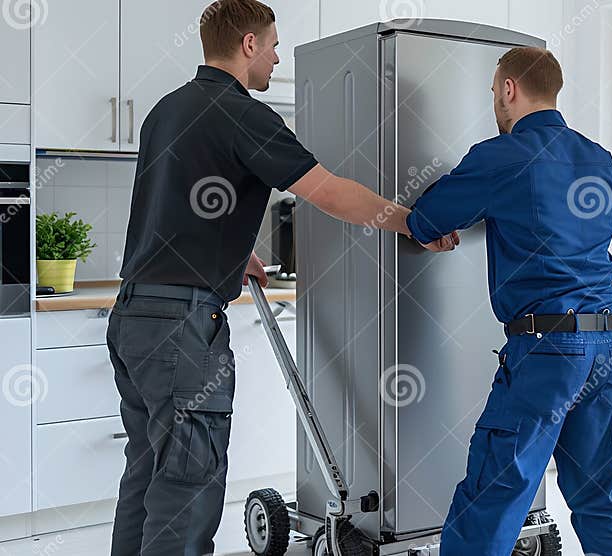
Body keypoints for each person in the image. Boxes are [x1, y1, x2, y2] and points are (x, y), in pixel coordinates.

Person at [106, 1, 455, 555]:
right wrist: (413, 222)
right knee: (188, 485)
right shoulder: (242, 113)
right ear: (247, 44)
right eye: (271, 46)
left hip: (134, 318)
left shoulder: (166, 111)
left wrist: (227, 256)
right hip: (182, 328)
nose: (274, 57)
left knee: (149, 474)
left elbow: (169, 212)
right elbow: (331, 193)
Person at [406, 47, 612, 556]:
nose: (494, 102)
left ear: (509, 88)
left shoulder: (502, 155)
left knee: (495, 488)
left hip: (545, 351)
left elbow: (426, 220)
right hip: (602, 343)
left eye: (493, 92)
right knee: (599, 491)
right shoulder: (600, 158)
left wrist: (440, 228)